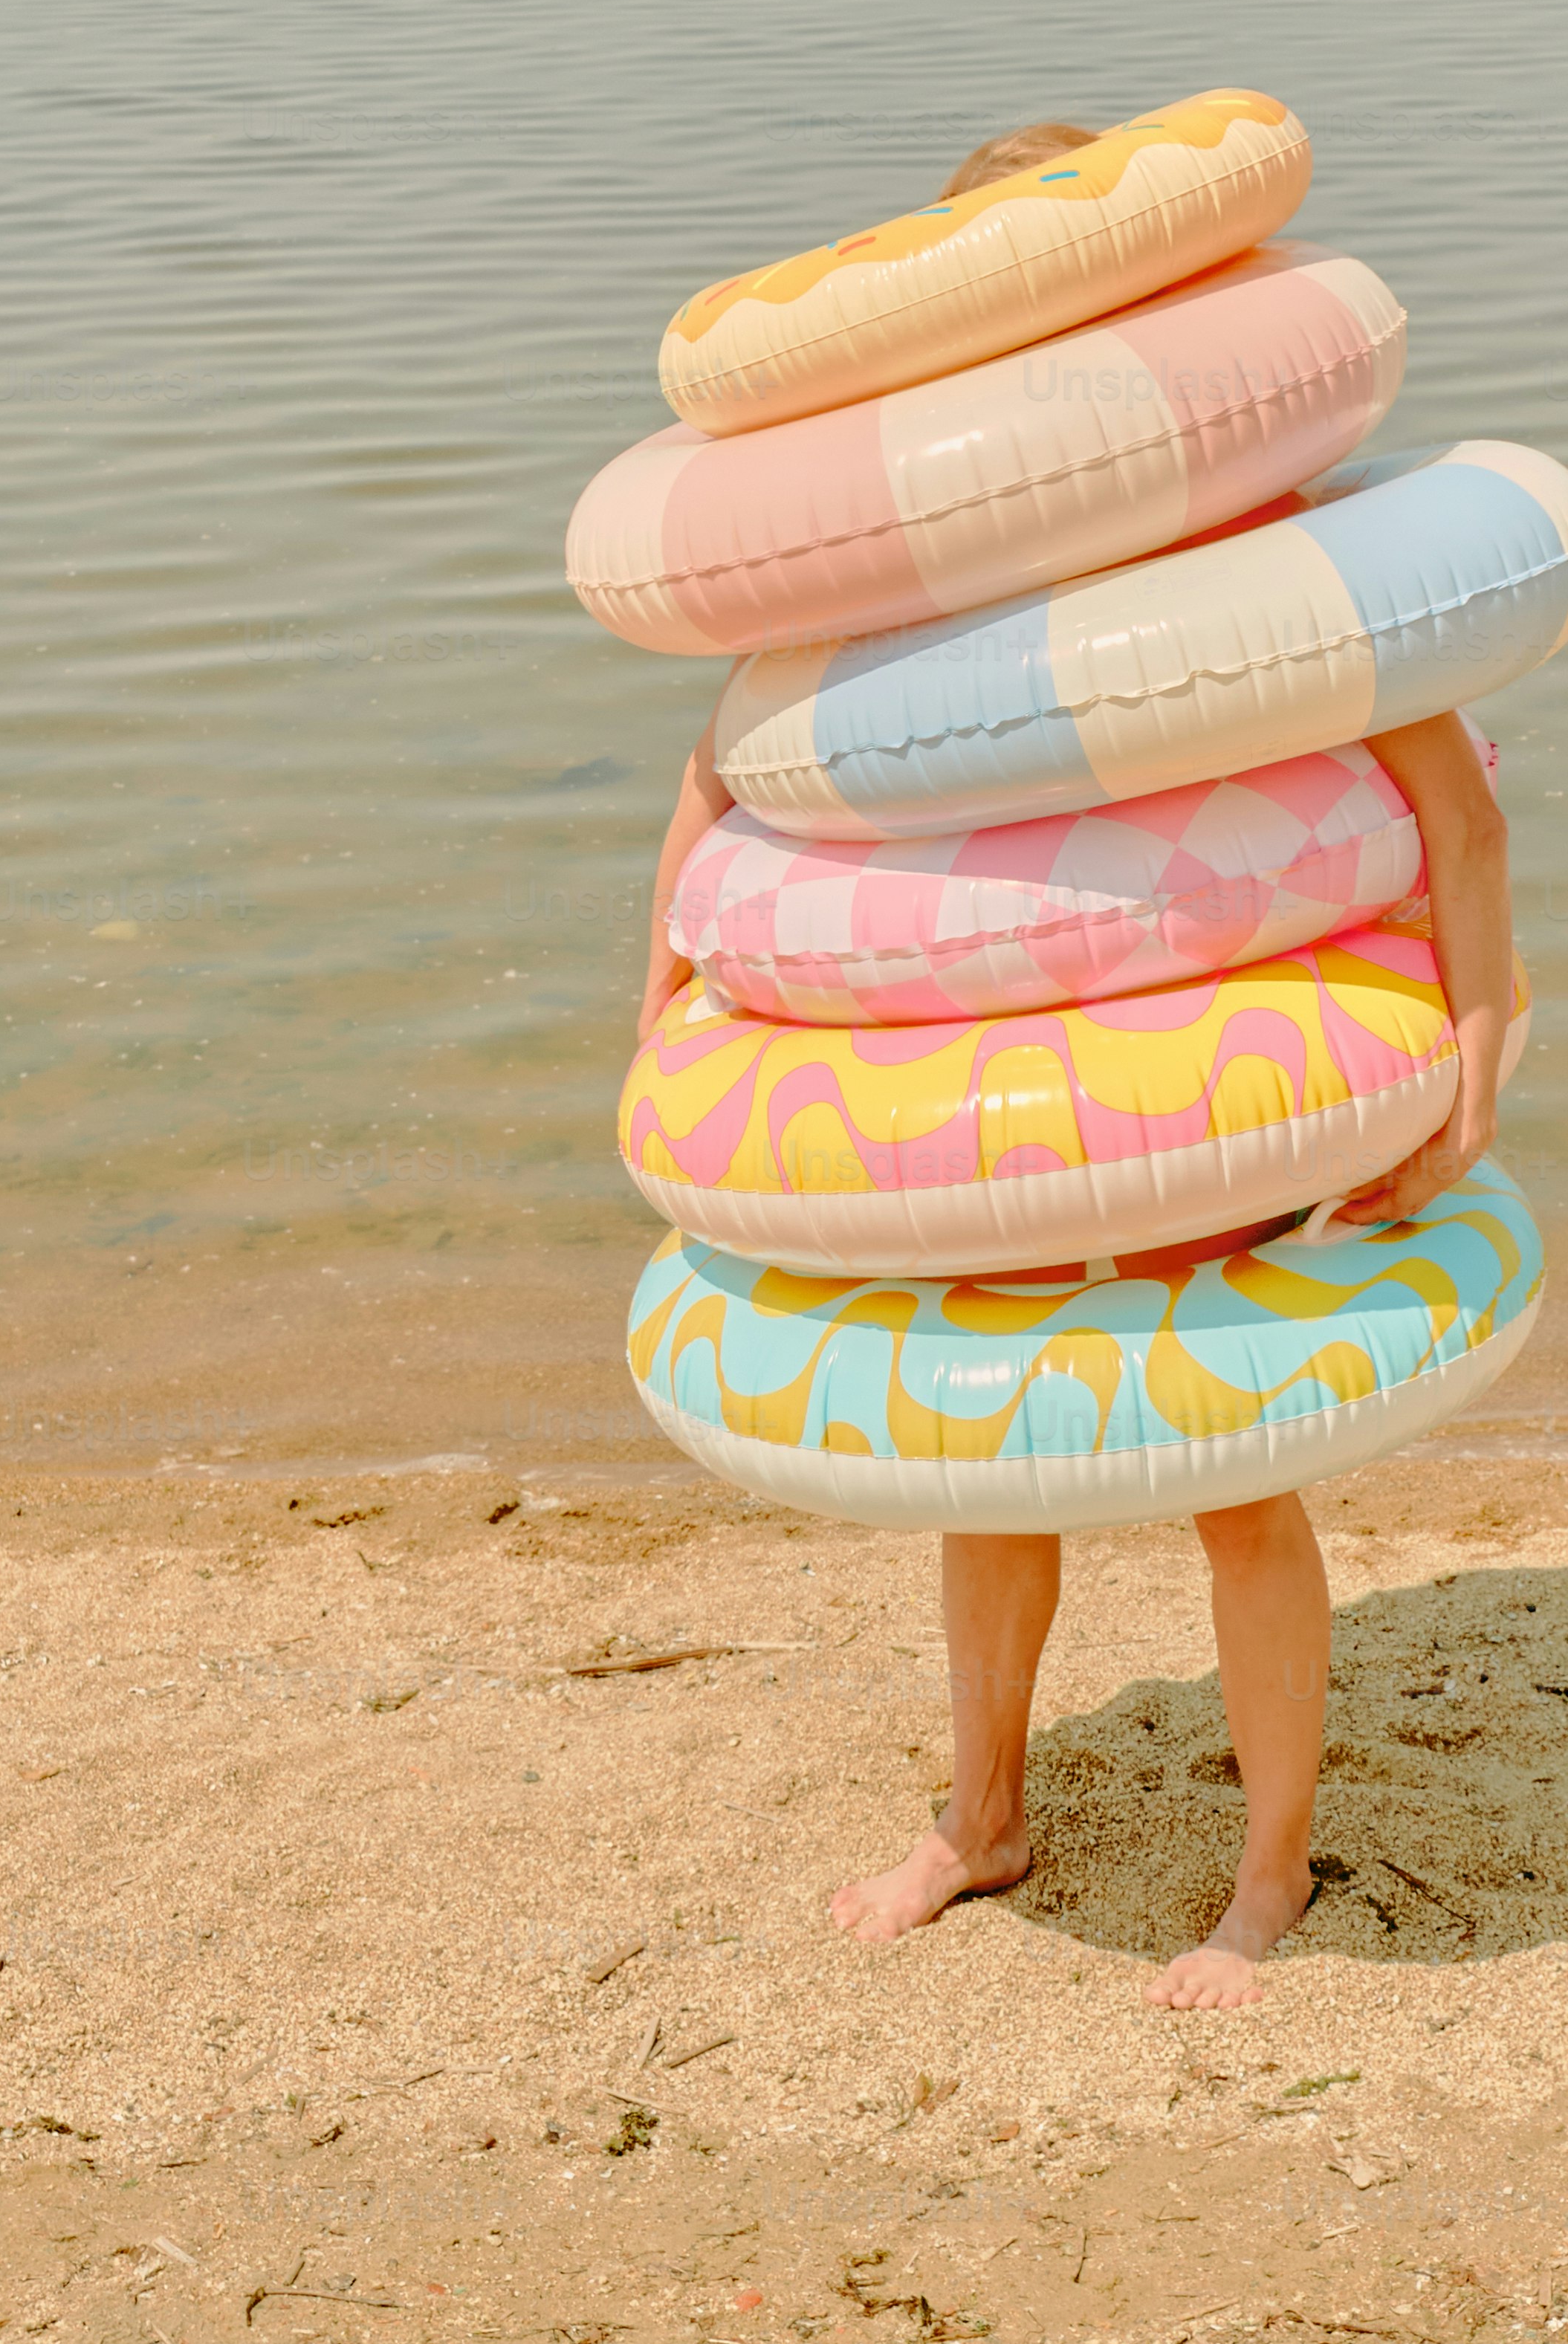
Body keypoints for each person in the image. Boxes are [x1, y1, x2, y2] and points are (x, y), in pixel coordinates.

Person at [632, 122, 1520, 2007]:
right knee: (989, 1466)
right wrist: (672, 1017)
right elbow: (725, 792)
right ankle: (982, 1821)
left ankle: (1268, 1874)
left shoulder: (1247, 540)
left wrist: (1474, 1045)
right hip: (987, 1069)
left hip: (1211, 1062)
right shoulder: (901, 562)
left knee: (1235, 1476)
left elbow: (1450, 809)